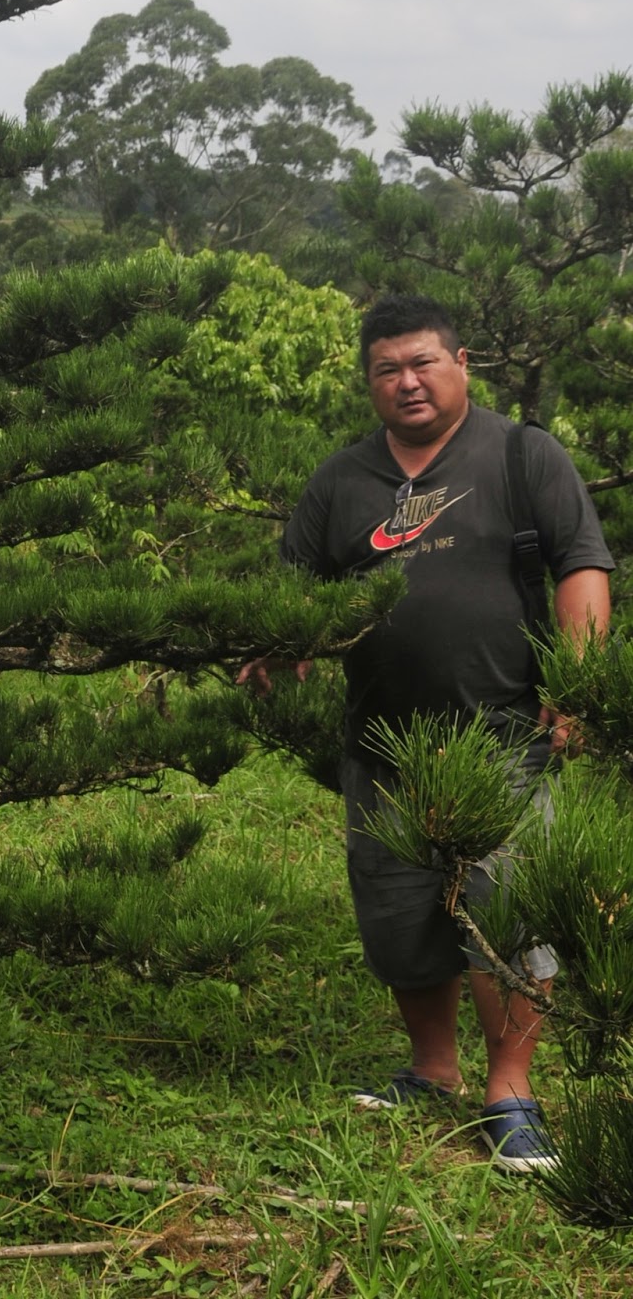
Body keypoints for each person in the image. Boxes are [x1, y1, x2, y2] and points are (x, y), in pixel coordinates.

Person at [240, 294, 613, 1174]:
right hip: (381, 740)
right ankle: (432, 1068)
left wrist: (578, 683)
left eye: (422, 363)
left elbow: (580, 565)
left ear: (460, 362)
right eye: (386, 369)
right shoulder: (341, 480)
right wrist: (274, 644)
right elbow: (295, 589)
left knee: (508, 912)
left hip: (502, 729)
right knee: (398, 911)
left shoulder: (521, 454)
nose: (406, 382)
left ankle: (510, 1093)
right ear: (368, 381)